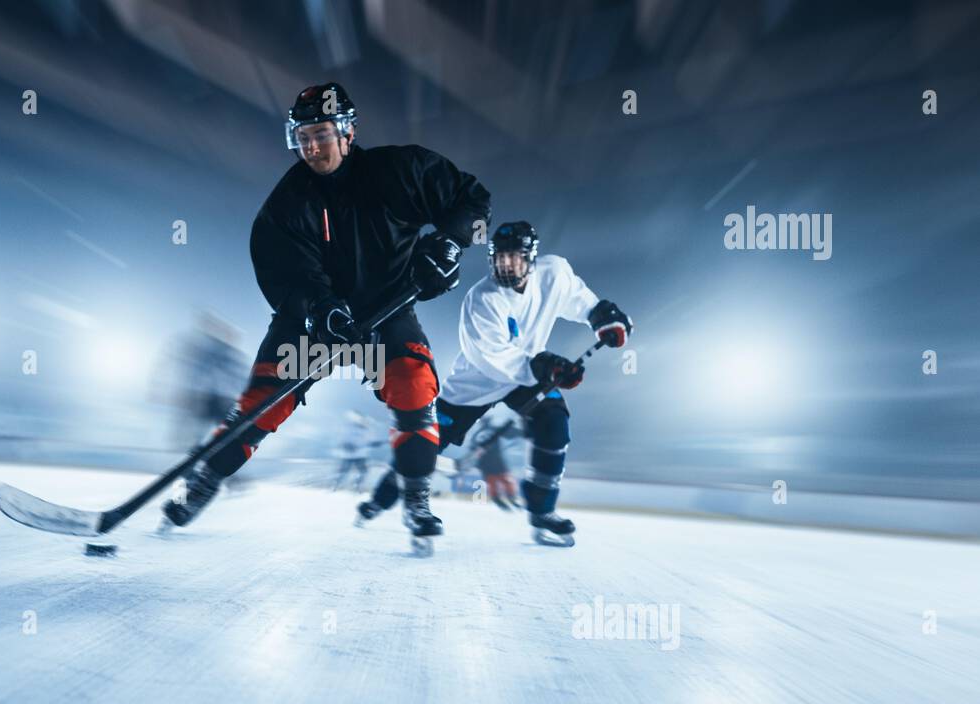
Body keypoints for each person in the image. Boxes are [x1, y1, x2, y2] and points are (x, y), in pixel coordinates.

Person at [160, 82, 491, 549]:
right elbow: (283, 275)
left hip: (386, 315)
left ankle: (416, 498)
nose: (312, 147)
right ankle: (204, 481)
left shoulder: (400, 171)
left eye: (321, 134)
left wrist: (452, 241)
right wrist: (319, 309)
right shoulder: (286, 205)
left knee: (415, 387)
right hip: (315, 325)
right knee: (262, 402)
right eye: (304, 138)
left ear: (348, 133)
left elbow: (473, 201)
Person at [356, 221, 632, 546]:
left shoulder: (555, 272)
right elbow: (492, 357)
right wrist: (547, 365)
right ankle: (383, 499)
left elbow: (579, 299)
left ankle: (542, 512)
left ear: (531, 257)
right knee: (425, 444)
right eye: (500, 257)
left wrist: (603, 317)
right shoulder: (482, 298)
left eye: (514, 257)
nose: (506, 264)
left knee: (555, 424)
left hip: (527, 373)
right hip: (476, 383)